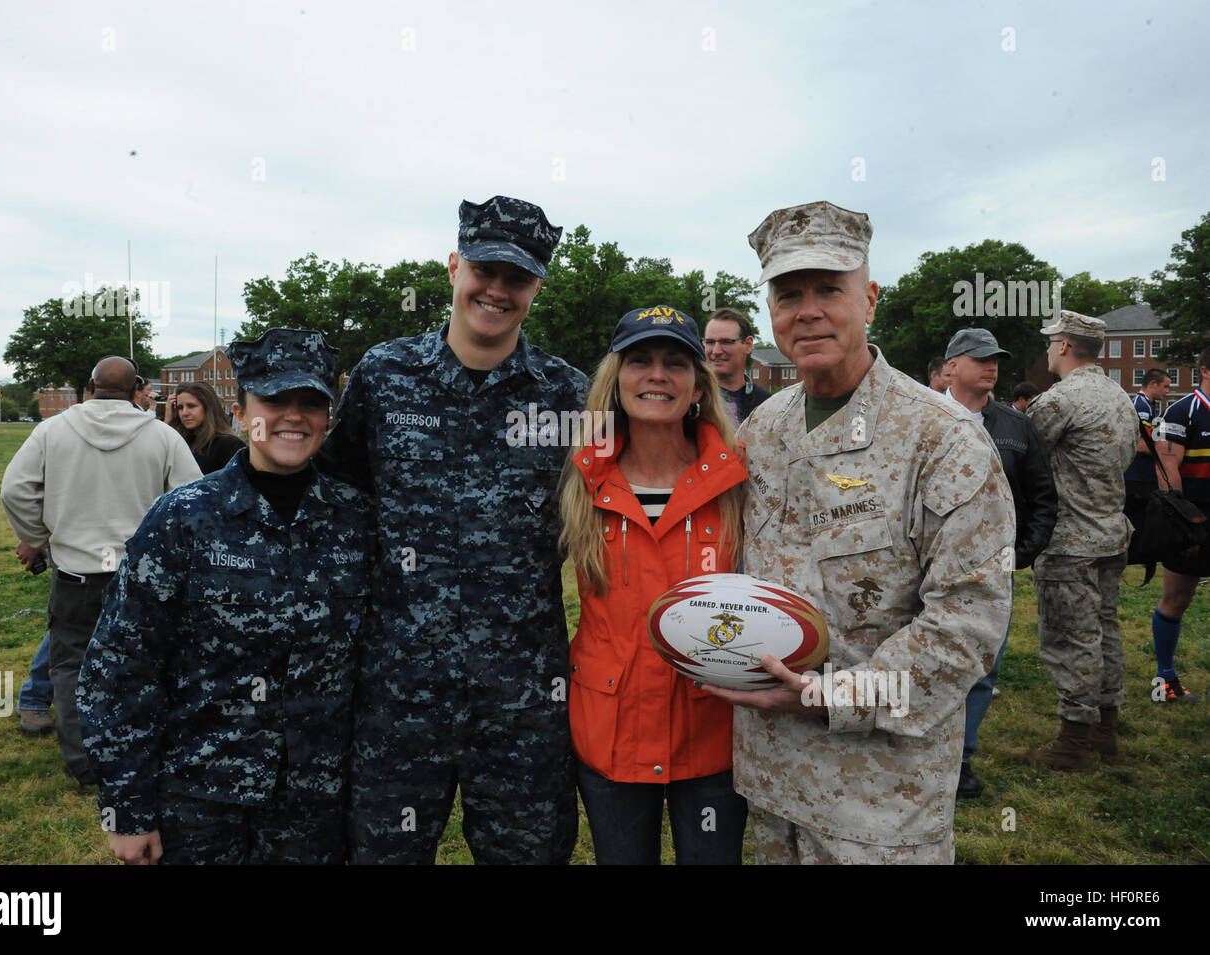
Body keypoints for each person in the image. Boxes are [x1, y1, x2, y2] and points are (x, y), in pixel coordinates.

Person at [705, 200, 1015, 864]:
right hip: (771, 786)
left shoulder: (942, 439)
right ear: (771, 313)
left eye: (828, 289)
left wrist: (828, 695)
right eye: (789, 293)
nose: (807, 309)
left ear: (869, 298)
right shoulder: (761, 433)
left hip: (876, 806)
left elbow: (969, 627)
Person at [315, 195, 586, 865]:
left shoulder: (568, 396)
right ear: (454, 266)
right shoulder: (385, 375)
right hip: (399, 688)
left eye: (516, 277)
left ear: (536, 287)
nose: (496, 290)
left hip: (522, 694)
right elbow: (338, 503)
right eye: (485, 269)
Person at [78, 328, 370, 865]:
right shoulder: (184, 517)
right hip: (199, 797)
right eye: (274, 400)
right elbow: (121, 667)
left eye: (311, 402)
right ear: (239, 411)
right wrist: (127, 807)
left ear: (330, 417)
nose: (293, 416)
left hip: (313, 806)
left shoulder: (357, 520)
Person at [560, 306, 748, 864]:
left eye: (675, 363)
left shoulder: (738, 478)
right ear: (616, 382)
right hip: (610, 732)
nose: (657, 375)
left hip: (712, 728)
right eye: (639, 361)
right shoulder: (580, 477)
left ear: (697, 386)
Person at [1, 357, 202, 785]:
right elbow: (193, 502)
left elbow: (15, 489)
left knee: (72, 667)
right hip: (139, 576)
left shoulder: (51, 432)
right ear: (137, 390)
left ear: (89, 386)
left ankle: (85, 762)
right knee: (142, 666)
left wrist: (42, 535)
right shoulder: (162, 437)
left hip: (77, 575)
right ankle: (141, 753)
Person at [1020, 311, 1139, 769]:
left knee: (1072, 638)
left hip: (1070, 539)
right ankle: (1105, 731)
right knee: (1106, 631)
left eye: (1051, 343)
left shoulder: (1061, 400)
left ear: (1065, 346)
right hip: (1110, 532)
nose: (1048, 350)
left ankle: (1073, 743)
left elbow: (1028, 456)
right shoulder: (1118, 396)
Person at [942, 328, 1058, 798]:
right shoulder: (917, 417)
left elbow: (1044, 495)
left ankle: (962, 759)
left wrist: (1021, 553)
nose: (991, 366)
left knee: (983, 669)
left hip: (994, 573)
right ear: (951, 366)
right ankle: (919, 749)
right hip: (930, 570)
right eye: (979, 358)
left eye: (996, 359)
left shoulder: (1016, 425)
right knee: (925, 661)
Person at [1147, 348, 1210, 703]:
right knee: (1177, 598)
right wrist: (1184, 524)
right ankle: (1165, 678)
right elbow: (1166, 468)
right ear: (1205, 371)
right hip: (1194, 520)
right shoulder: (1183, 411)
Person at [704, 308, 771, 425]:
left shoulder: (768, 406)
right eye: (710, 342)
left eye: (726, 342)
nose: (716, 351)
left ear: (748, 345)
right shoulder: (690, 401)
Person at [1122, 369, 1171, 529]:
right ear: (1153, 384)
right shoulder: (1141, 406)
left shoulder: (1149, 405)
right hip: (1137, 476)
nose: (1168, 391)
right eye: (1165, 386)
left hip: (1143, 475)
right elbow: (1141, 444)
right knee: (1139, 523)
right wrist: (1166, 458)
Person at [165, 381, 244, 474]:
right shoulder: (181, 441)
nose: (184, 413)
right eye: (180, 407)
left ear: (208, 407)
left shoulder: (228, 445)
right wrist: (168, 423)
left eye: (191, 406)